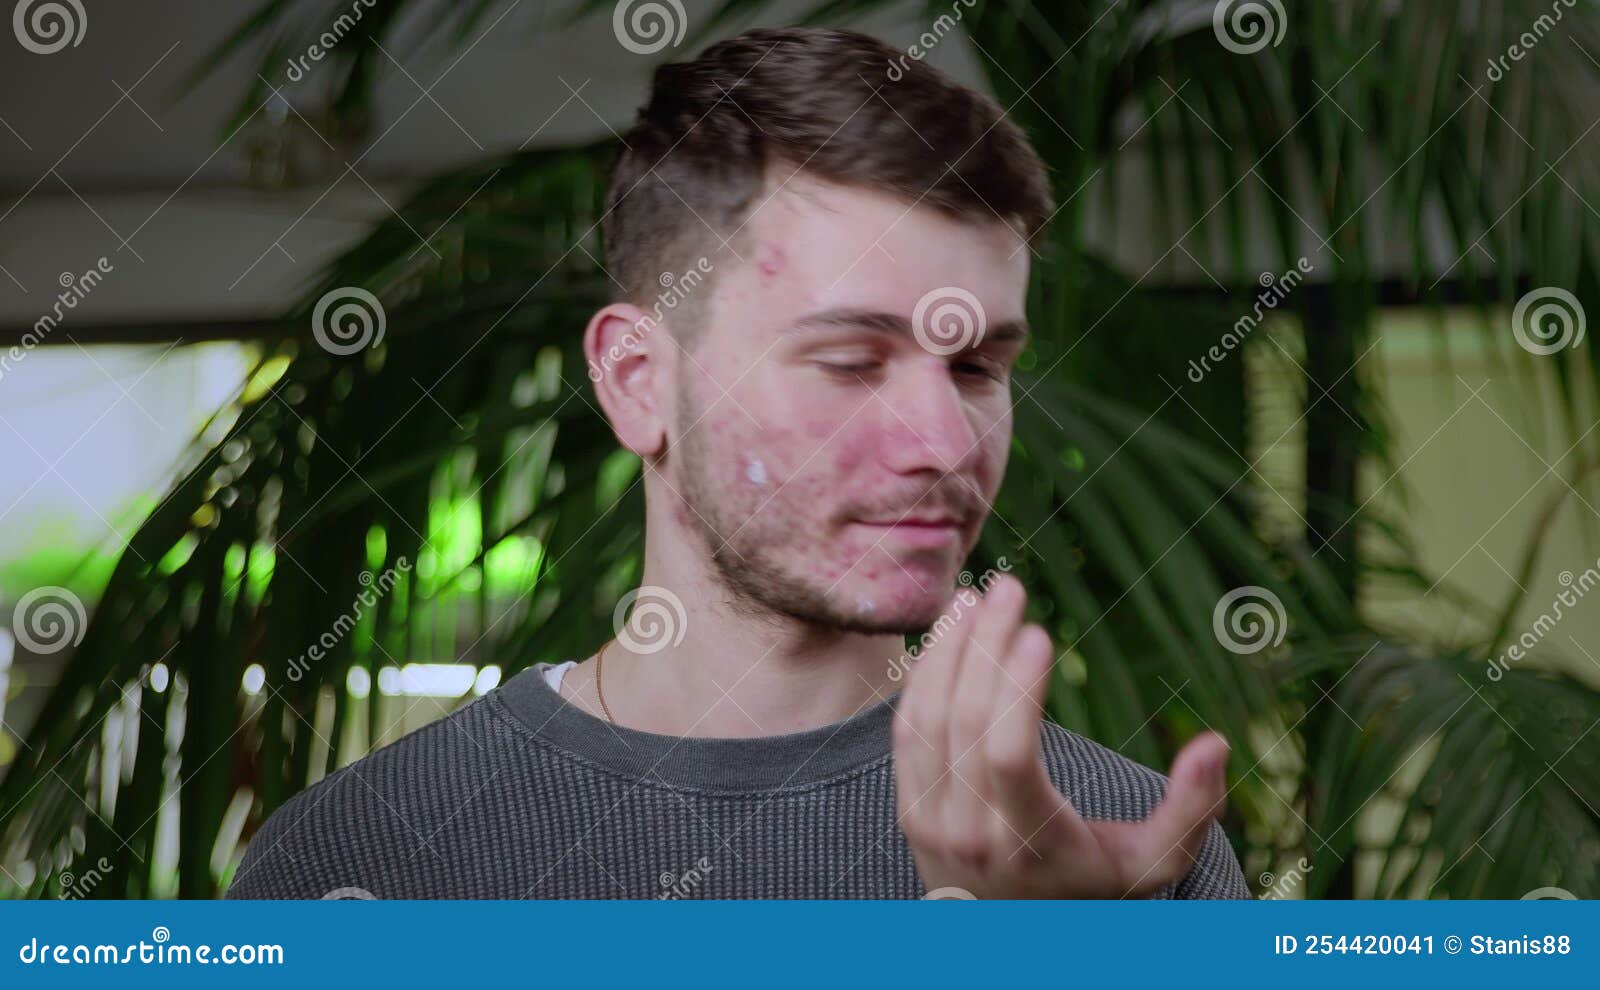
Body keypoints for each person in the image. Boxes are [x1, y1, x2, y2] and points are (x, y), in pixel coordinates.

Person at [226, 25, 1248, 900]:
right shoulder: (358, 865)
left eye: (978, 365)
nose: (943, 445)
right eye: (850, 361)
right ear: (636, 380)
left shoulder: (1128, 860)